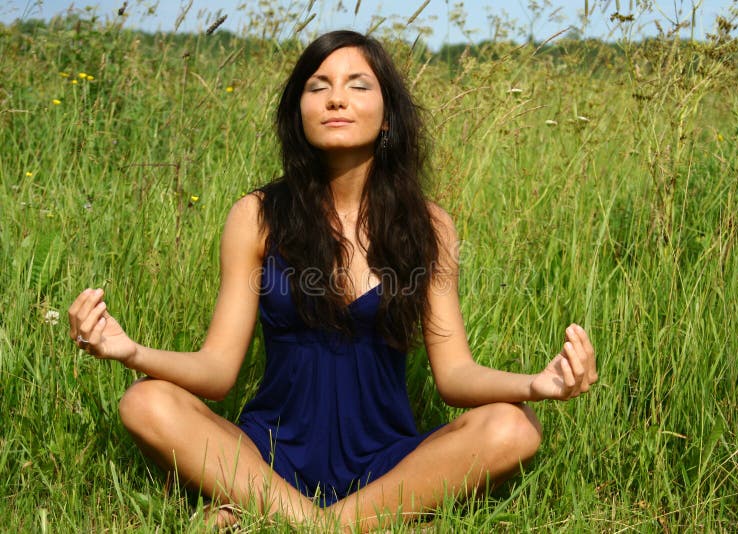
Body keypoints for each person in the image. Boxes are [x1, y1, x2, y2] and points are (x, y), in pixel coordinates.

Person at [68, 30, 597, 532]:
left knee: (515, 426)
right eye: (317, 87)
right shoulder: (257, 215)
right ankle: (346, 520)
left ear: (388, 115)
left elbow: (454, 375)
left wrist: (535, 385)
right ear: (299, 114)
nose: (335, 99)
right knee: (144, 401)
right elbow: (216, 372)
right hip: (266, 458)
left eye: (357, 85)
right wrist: (129, 350)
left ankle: (286, 518)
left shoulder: (429, 225)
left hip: (390, 461)